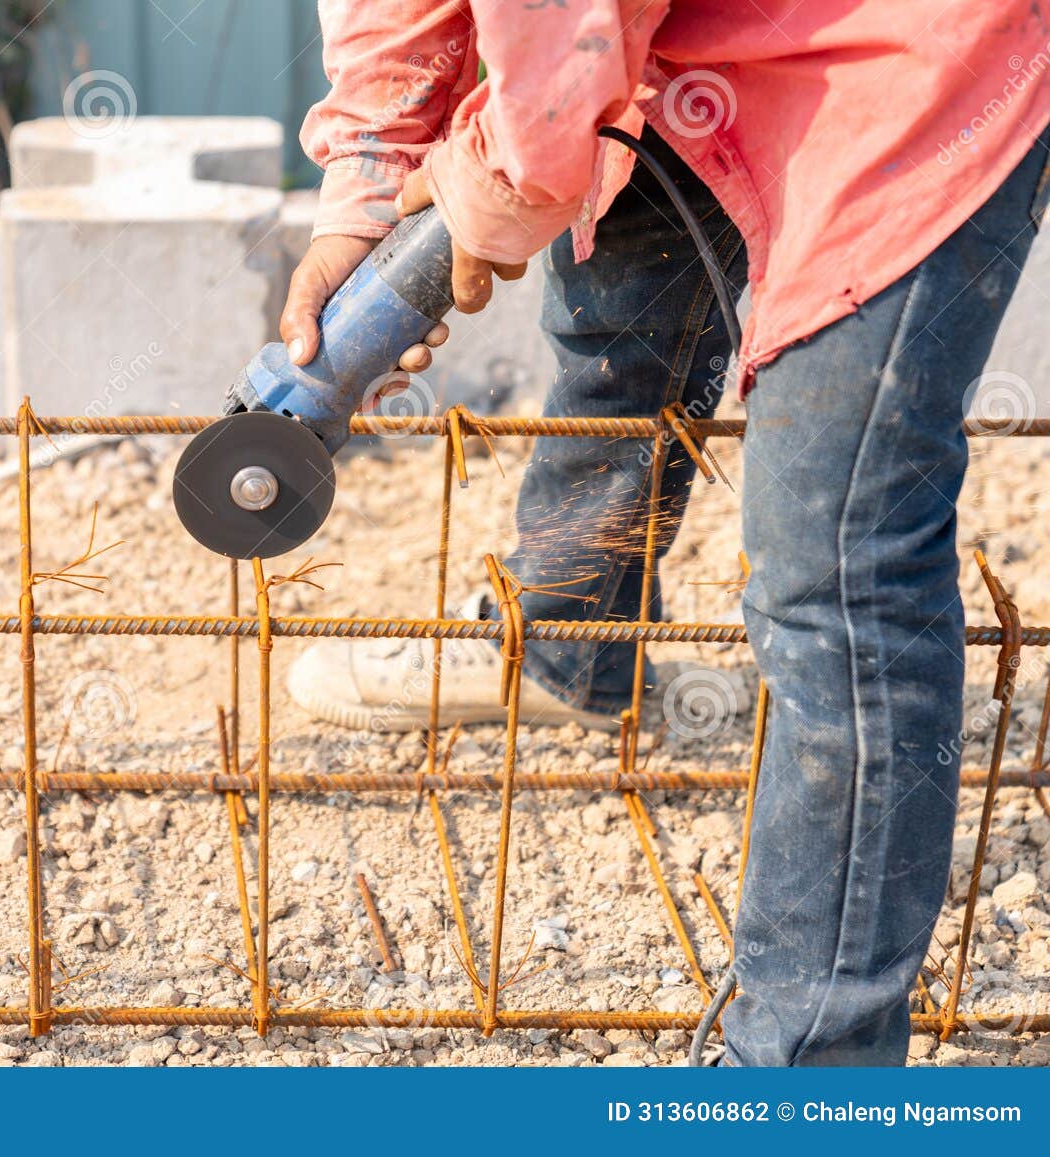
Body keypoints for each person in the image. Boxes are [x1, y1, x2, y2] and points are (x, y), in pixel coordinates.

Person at [281, 1, 1050, 1065]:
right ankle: (571, 647)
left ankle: (809, 1074)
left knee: (835, 557)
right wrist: (366, 198)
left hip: (915, 53)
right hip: (692, 28)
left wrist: (490, 181)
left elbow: (559, 58)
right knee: (625, 312)